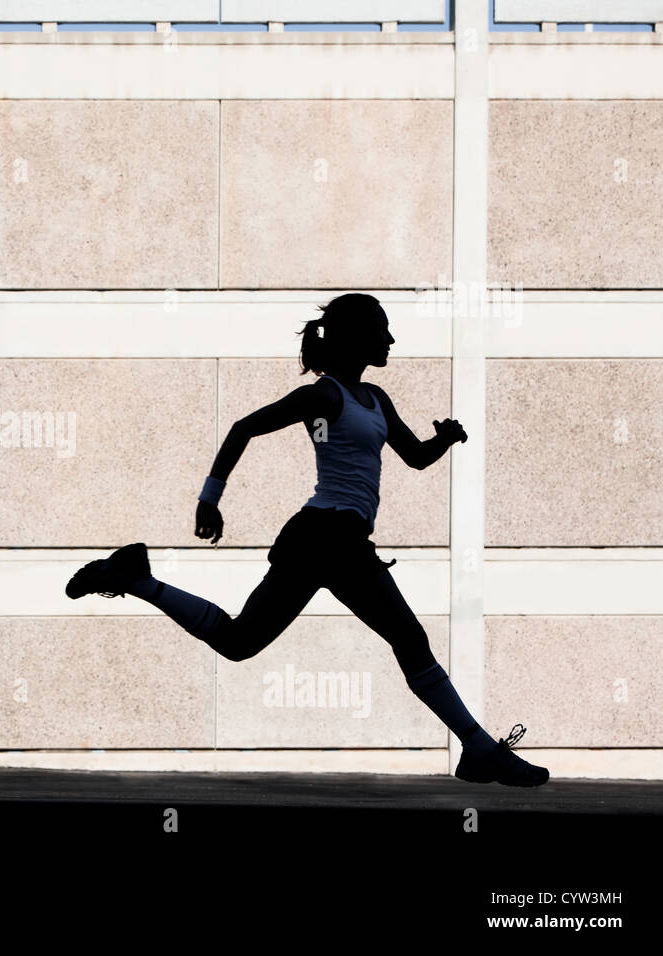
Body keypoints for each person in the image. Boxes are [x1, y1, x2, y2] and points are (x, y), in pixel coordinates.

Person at [65, 293, 548, 787]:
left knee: (239, 642)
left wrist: (443, 440)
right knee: (409, 639)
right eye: (383, 330)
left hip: (330, 539)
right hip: (329, 536)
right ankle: (479, 749)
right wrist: (210, 498)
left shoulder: (376, 399)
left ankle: (138, 580)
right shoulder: (325, 396)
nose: (391, 339)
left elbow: (415, 457)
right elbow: (243, 428)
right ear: (357, 337)